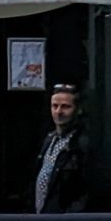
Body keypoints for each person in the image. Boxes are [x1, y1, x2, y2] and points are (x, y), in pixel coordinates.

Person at [34, 84, 93, 213]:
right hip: (41, 218)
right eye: (54, 106)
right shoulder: (49, 140)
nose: (58, 112)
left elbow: (86, 191)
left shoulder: (82, 145)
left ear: (78, 110)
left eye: (66, 107)